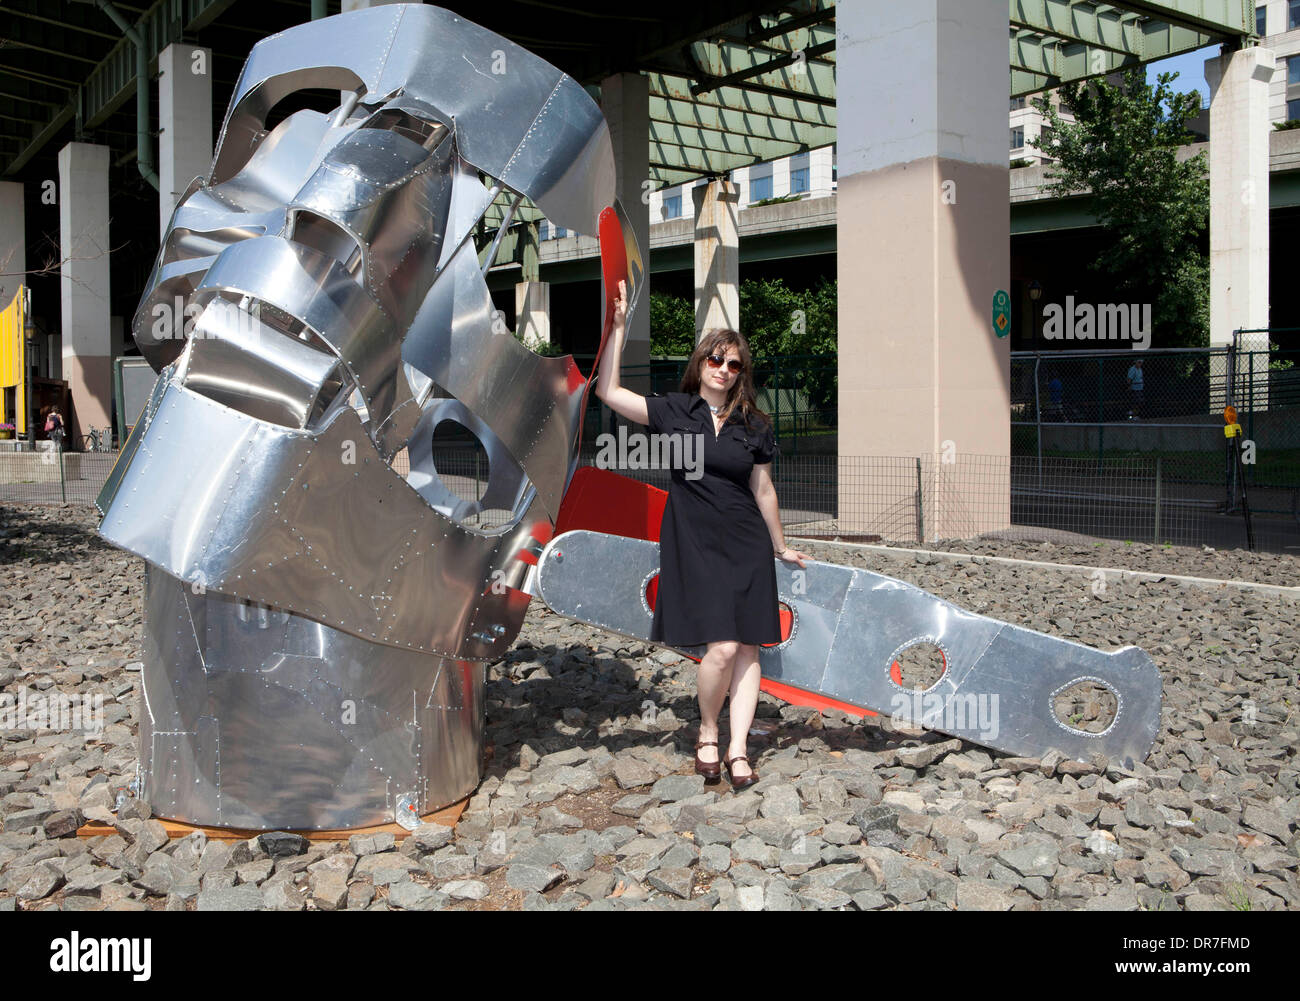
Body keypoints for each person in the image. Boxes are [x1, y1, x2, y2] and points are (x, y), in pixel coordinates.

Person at [595, 280, 809, 789]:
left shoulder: (755, 425)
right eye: (716, 359)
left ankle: (738, 749)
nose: (723, 369)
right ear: (702, 362)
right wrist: (619, 329)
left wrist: (780, 546)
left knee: (749, 647)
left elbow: (763, 490)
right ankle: (708, 731)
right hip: (693, 541)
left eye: (733, 364)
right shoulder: (675, 410)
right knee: (723, 647)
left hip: (746, 542)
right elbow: (608, 392)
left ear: (740, 374)